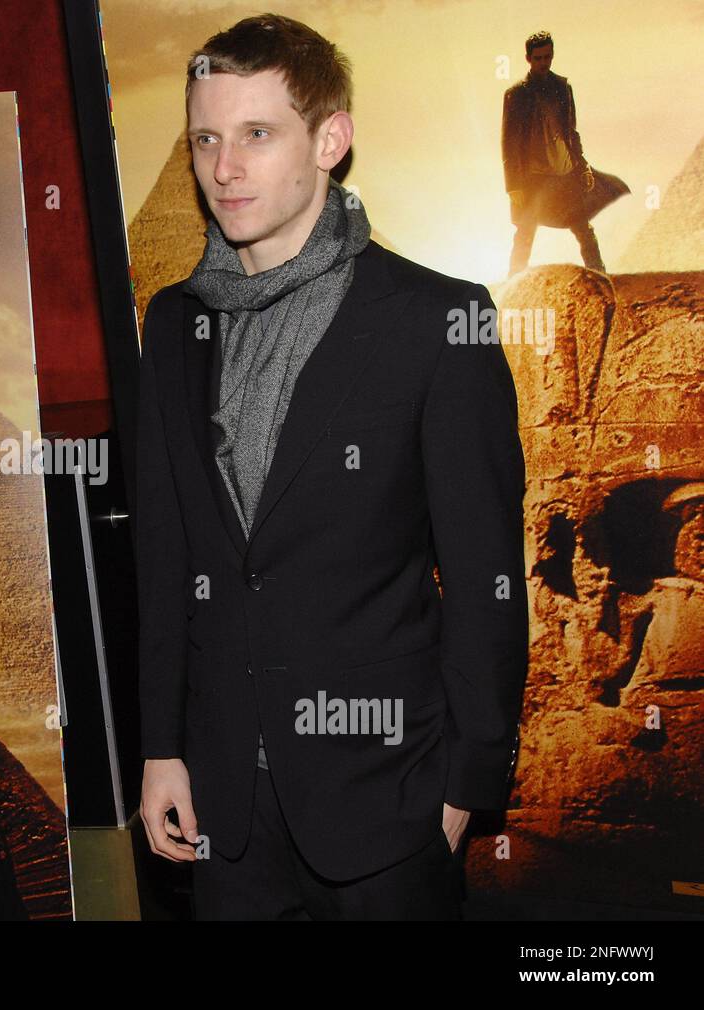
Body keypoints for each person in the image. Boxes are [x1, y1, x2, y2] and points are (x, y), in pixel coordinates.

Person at [135, 13, 529, 920]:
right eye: (205, 138)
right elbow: (167, 557)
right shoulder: (174, 325)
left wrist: (466, 785)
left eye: (257, 134)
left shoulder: (437, 322)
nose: (223, 168)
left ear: (330, 139)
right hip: (224, 805)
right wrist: (163, 746)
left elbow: (485, 578)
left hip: (388, 802)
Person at [502, 31, 627, 276]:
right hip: (532, 177)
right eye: (538, 58)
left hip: (564, 171)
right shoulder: (516, 94)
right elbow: (509, 143)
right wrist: (513, 185)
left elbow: (571, 132)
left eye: (547, 57)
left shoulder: (562, 87)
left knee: (582, 226)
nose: (543, 62)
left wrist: (583, 166)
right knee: (525, 231)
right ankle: (512, 283)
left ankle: (600, 275)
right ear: (528, 58)